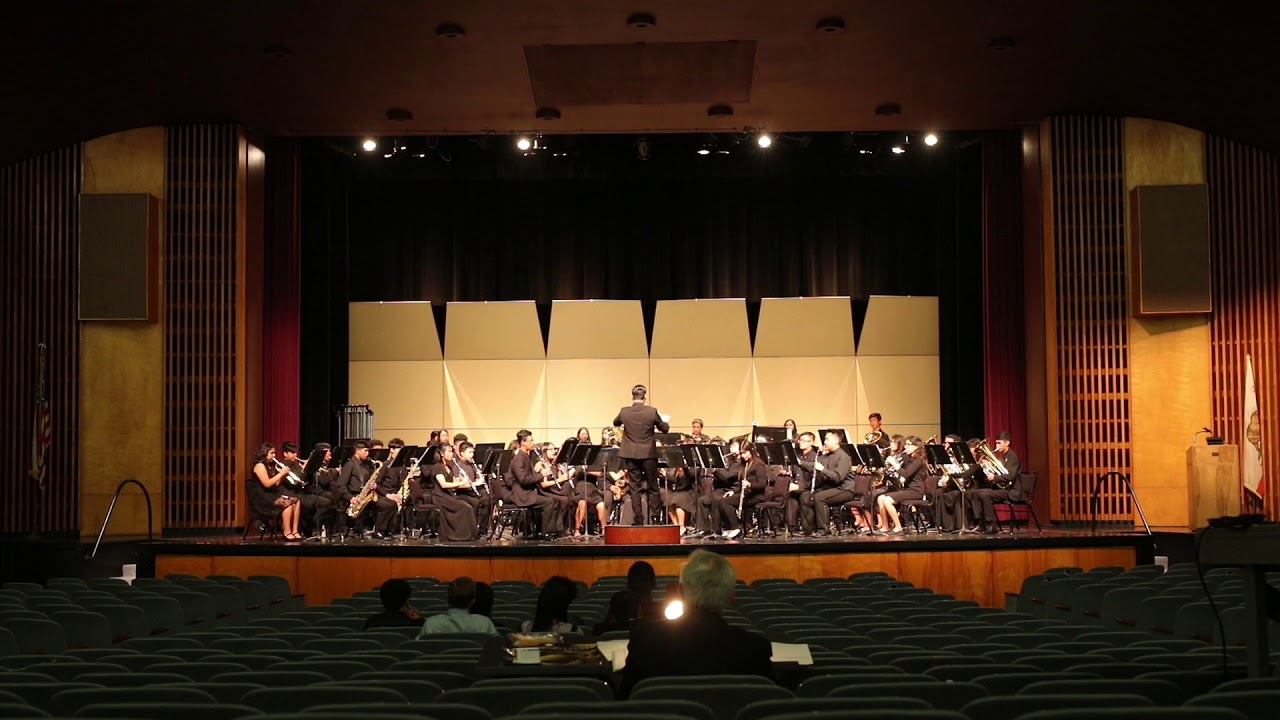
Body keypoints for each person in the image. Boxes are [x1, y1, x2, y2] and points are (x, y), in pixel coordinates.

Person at [621, 549, 773, 697]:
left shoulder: (645, 639)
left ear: (680, 591)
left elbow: (628, 701)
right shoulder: (756, 649)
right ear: (731, 597)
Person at [613, 384, 670, 525]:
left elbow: (615, 423)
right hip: (648, 454)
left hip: (631, 454)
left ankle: (638, 519)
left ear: (632, 397)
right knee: (653, 486)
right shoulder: (652, 411)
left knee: (634, 488)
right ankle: (656, 519)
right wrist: (662, 419)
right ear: (644, 397)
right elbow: (665, 429)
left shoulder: (624, 411)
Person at [507, 429, 567, 538]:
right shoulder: (518, 459)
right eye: (530, 441)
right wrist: (542, 474)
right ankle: (546, 533)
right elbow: (523, 479)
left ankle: (557, 530)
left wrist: (538, 471)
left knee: (557, 500)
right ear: (523, 443)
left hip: (531, 491)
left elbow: (530, 475)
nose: (532, 443)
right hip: (523, 494)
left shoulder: (527, 456)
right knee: (548, 502)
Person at [971, 431, 1023, 534]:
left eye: (999, 443)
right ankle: (980, 523)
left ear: (1007, 443)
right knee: (976, 493)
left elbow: (1011, 476)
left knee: (985, 494)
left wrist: (994, 477)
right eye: (996, 443)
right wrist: (988, 469)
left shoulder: (1013, 457)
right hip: (1003, 489)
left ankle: (991, 525)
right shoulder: (1002, 457)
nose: (997, 445)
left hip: (1011, 490)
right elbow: (998, 474)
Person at [248, 443, 302, 540]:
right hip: (263, 498)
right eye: (272, 453)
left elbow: (275, 484)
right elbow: (267, 484)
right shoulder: (260, 466)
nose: (274, 456)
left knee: (296, 501)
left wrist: (283, 476)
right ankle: (286, 532)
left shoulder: (270, 466)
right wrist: (281, 474)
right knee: (287, 503)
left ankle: (295, 531)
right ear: (264, 453)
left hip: (271, 494)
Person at [426, 443, 479, 541]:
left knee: (467, 506)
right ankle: (460, 535)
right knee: (465, 507)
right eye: (449, 452)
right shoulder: (437, 467)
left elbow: (453, 482)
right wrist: (462, 482)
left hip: (448, 495)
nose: (452, 454)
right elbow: (444, 484)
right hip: (440, 497)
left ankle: (469, 535)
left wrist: (460, 480)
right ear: (442, 454)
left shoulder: (449, 466)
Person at [280, 441, 334, 537]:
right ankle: (312, 526)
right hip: (292, 494)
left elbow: (305, 479)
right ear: (285, 454)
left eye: (295, 452)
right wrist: (304, 468)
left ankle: (312, 526)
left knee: (327, 502)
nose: (295, 455)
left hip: (302, 493)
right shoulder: (282, 466)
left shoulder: (295, 464)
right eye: (292, 453)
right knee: (324, 503)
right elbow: (294, 482)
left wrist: (310, 468)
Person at [419, 577, 500, 636]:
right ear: (472, 601)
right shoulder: (485, 624)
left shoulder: (431, 624)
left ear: (447, 598)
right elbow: (496, 651)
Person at [811, 432, 854, 537]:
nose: (824, 442)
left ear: (835, 441)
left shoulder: (843, 457)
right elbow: (812, 465)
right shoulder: (826, 456)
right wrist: (800, 462)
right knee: (807, 497)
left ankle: (824, 529)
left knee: (819, 497)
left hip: (845, 490)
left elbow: (838, 478)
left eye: (827, 439)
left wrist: (822, 469)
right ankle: (809, 528)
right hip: (833, 488)